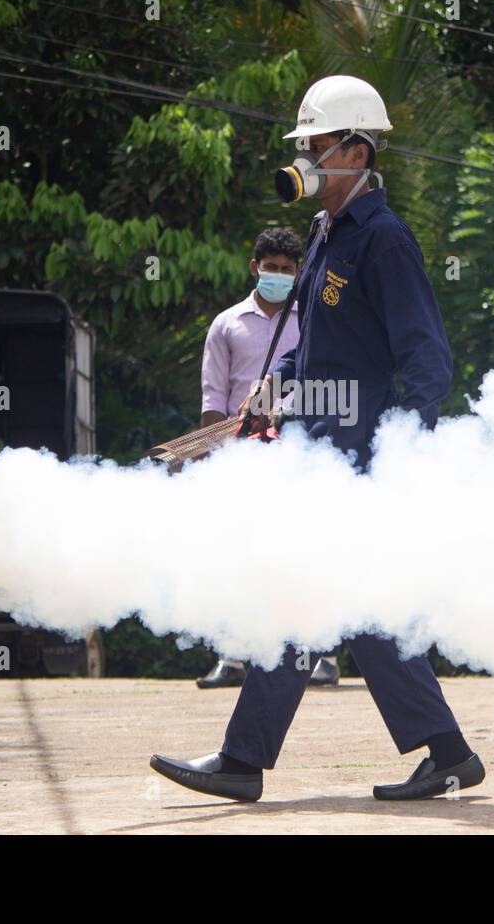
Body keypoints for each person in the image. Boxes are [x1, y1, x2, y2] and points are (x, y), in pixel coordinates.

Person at [150, 75, 484, 802]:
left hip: (363, 459)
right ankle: (446, 753)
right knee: (336, 608)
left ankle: (246, 760)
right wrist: (272, 391)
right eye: (303, 147)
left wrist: (406, 458)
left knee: (314, 600)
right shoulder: (325, 235)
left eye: (316, 146)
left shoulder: (386, 242)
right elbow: (312, 349)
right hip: (321, 453)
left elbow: (426, 360)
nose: (304, 159)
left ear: (356, 151)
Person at [194, 228, 339, 690]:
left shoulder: (312, 320)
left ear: (298, 274)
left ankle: (321, 656)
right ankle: (233, 656)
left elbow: (323, 383)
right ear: (255, 267)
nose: (278, 275)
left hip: (299, 450)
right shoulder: (227, 324)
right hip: (240, 456)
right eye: (270, 267)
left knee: (306, 551)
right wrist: (209, 454)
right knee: (239, 555)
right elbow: (214, 396)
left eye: (287, 269)